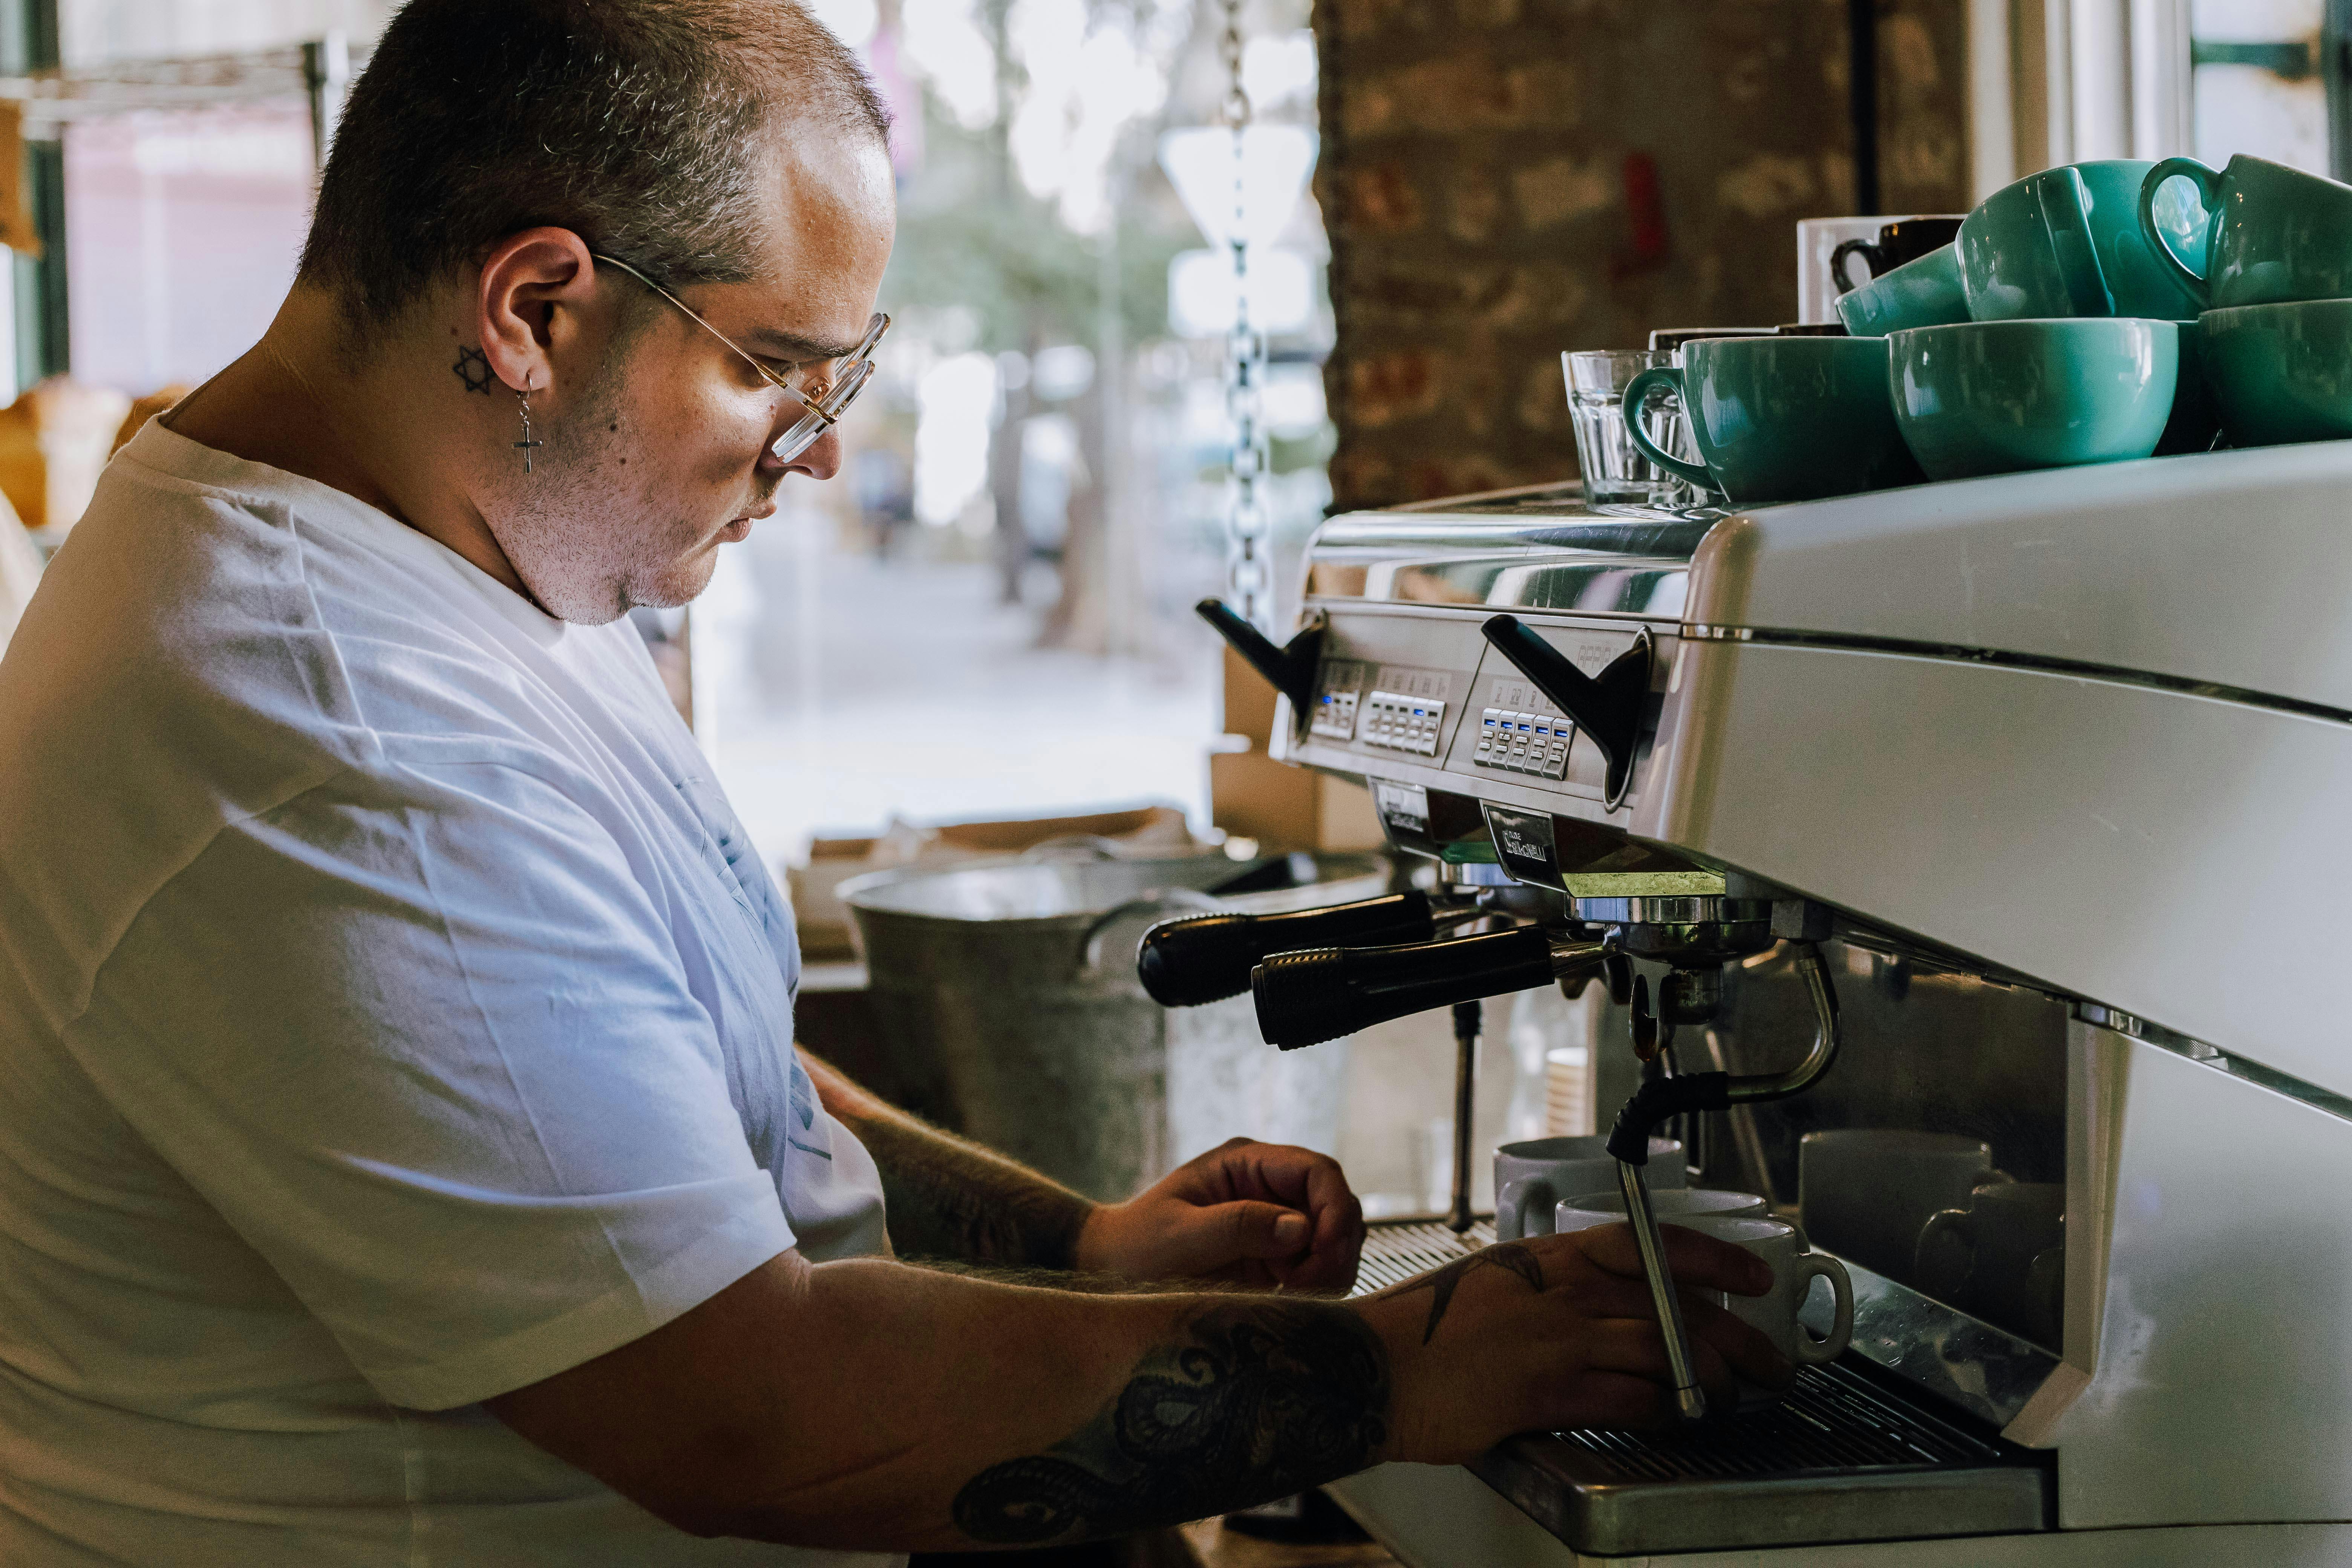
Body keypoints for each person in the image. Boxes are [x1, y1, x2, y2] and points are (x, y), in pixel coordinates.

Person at [0, 2, 1788, 1563]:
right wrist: (1399, 1374)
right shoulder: (320, 726)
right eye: (778, 369)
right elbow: (753, 1406)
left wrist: (1085, 1248)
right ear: (534, 305)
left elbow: (708, 1083)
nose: (822, 446)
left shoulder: (480, 551)